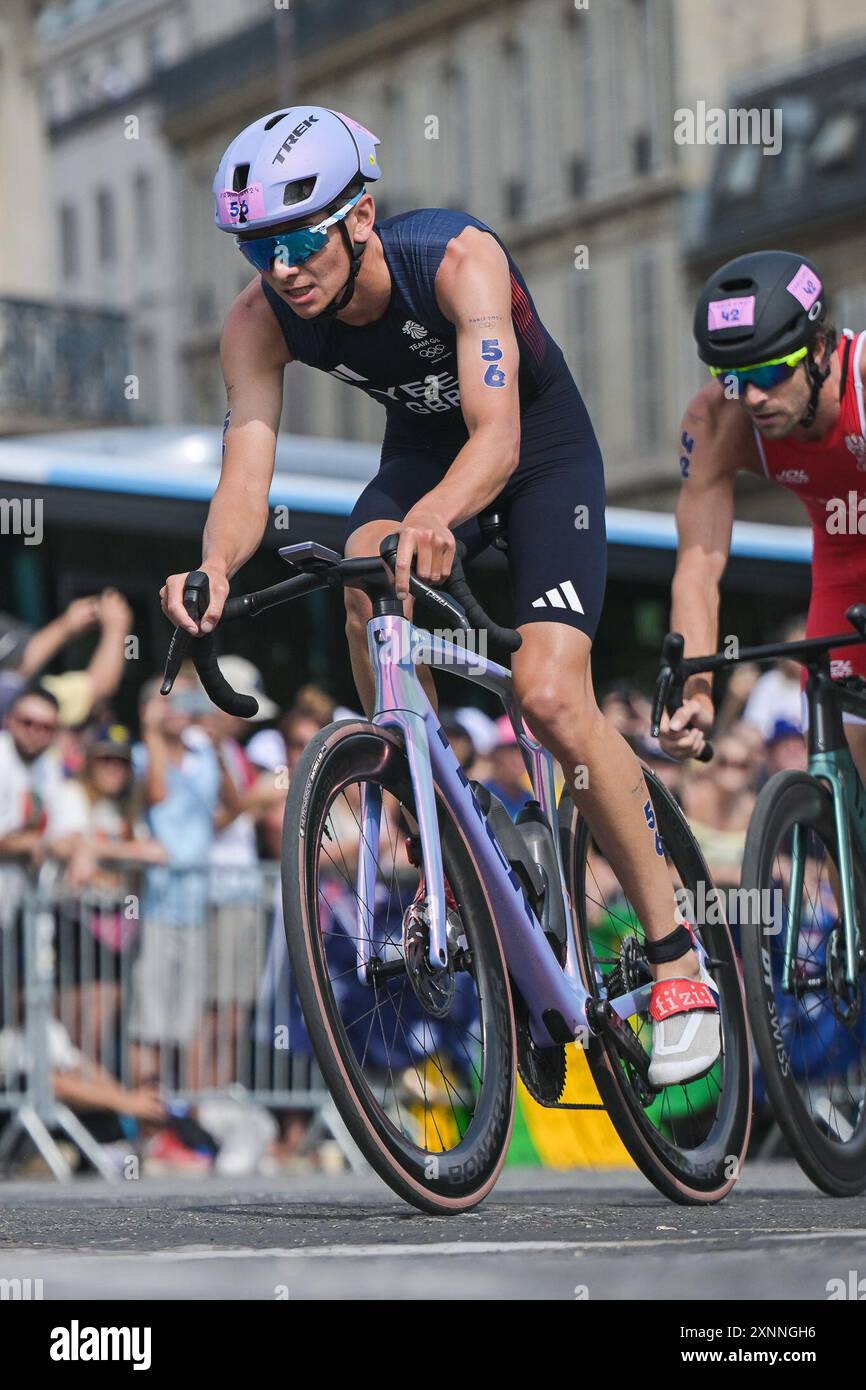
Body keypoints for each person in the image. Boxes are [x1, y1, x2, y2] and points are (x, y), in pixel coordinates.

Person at [160, 105, 720, 1087]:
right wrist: (210, 570)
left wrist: (437, 519)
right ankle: (430, 825)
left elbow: (497, 439)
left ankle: (677, 959)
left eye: (297, 238)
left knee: (547, 694)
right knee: (359, 573)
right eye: (256, 246)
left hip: (536, 452)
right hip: (421, 455)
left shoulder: (457, 260)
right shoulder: (257, 321)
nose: (281, 266)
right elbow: (245, 480)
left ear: (361, 217)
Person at [660, 251, 866, 793]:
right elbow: (698, 567)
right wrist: (697, 690)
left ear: (819, 348)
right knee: (846, 778)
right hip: (843, 573)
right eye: (730, 377)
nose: (750, 396)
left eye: (770, 372)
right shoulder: (716, 421)